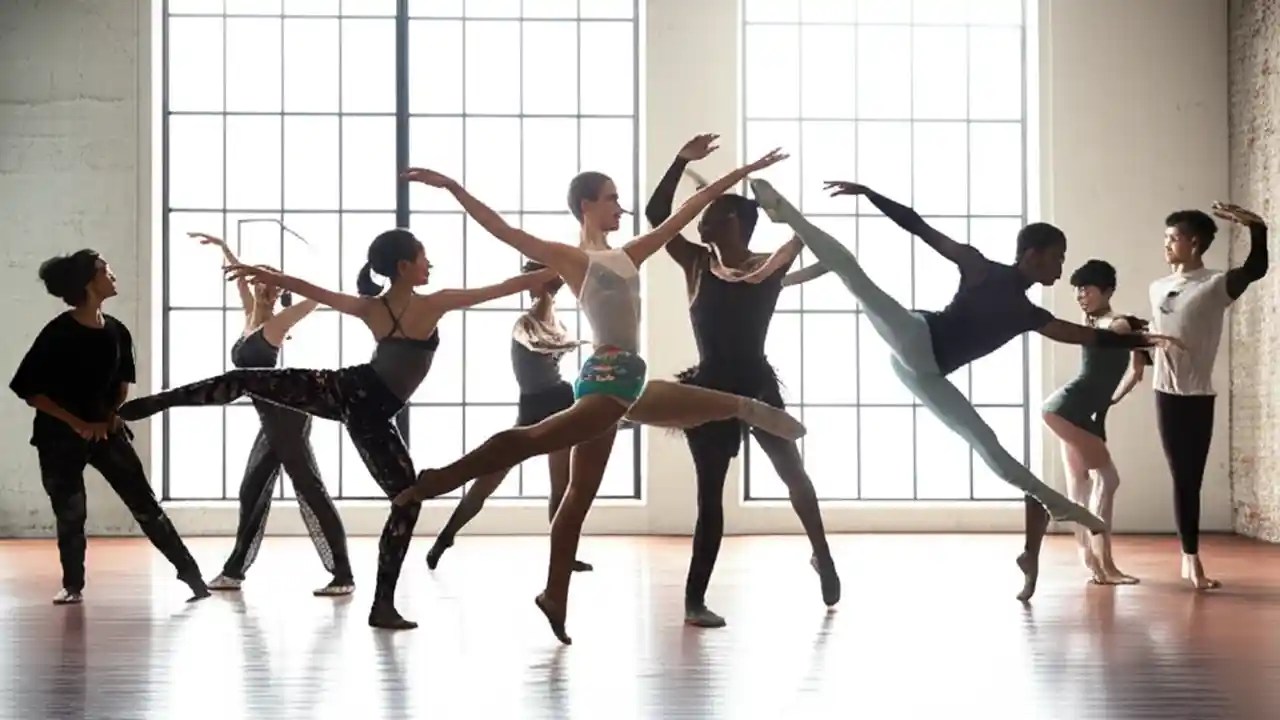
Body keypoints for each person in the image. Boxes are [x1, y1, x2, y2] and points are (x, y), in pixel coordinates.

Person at [393, 148, 807, 644]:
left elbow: (690, 208)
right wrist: (452, 187)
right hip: (608, 378)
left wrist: (744, 172)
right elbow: (503, 230)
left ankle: (554, 596)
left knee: (577, 496)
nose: (620, 207)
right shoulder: (573, 259)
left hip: (628, 378)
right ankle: (436, 481)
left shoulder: (629, 253)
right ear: (586, 204)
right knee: (530, 439)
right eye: (612, 198)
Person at [119, 229, 557, 629]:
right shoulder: (431, 303)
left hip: (345, 393)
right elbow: (499, 289)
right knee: (405, 501)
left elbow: (316, 292)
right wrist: (569, 267)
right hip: (359, 401)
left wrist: (261, 273)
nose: (430, 265)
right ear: (404, 267)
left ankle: (380, 603)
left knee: (248, 382)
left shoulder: (374, 307)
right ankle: (381, 605)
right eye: (424, 258)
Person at [747, 179, 1186, 558]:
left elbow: (1089, 337)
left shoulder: (1031, 315)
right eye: (1058, 256)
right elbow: (918, 226)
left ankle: (1058, 504)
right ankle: (781, 210)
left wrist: (1143, 339)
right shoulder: (979, 268)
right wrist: (868, 194)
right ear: (1033, 255)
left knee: (988, 445)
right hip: (917, 336)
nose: (1061, 266)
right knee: (851, 271)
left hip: (926, 372)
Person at [646, 134, 839, 628]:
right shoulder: (696, 262)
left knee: (793, 474)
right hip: (708, 391)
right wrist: (678, 161)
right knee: (709, 497)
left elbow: (815, 239)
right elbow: (657, 216)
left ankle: (822, 554)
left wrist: (780, 207)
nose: (701, 217)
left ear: (733, 222)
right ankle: (694, 600)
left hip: (757, 384)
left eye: (710, 212)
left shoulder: (770, 264)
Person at [10, 250, 209, 604]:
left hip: (106, 432)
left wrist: (110, 416)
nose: (112, 273)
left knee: (146, 505)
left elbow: (122, 382)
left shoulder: (117, 331)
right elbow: (30, 391)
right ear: (89, 280)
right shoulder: (57, 333)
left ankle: (193, 578)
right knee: (71, 514)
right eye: (105, 269)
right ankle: (73, 586)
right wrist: (78, 424)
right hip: (59, 438)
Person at [187, 232, 355, 597]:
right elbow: (237, 279)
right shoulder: (250, 316)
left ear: (278, 290)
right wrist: (222, 246)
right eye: (258, 283)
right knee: (252, 489)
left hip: (288, 417)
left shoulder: (275, 327)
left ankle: (342, 574)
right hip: (271, 419)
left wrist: (283, 278)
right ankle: (234, 571)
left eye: (270, 285)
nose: (262, 289)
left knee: (310, 490)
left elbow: (316, 298)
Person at [425, 260, 593, 573]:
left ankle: (564, 555)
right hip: (533, 406)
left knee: (561, 486)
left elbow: (549, 334)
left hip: (558, 400)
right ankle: (446, 537)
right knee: (488, 479)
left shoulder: (552, 317)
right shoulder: (527, 321)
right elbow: (538, 337)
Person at [1147, 202, 1268, 590]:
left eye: (1172, 238)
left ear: (1194, 243)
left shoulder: (1214, 286)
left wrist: (1257, 227)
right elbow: (1156, 336)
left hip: (1197, 397)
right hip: (1165, 393)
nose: (1166, 244)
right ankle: (1190, 558)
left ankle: (1191, 559)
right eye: (1165, 238)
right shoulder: (1158, 287)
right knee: (1179, 476)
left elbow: (1256, 270)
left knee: (1191, 477)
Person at [1019, 259, 1147, 600]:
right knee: (1107, 480)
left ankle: (1095, 565)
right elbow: (1131, 354)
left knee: (1082, 486)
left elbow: (1136, 369)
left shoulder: (1117, 325)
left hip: (1071, 412)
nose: (1080, 295)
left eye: (1087, 289)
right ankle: (1106, 567)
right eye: (1077, 289)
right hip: (1064, 410)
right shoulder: (1097, 324)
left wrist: (1110, 401)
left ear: (1107, 290)